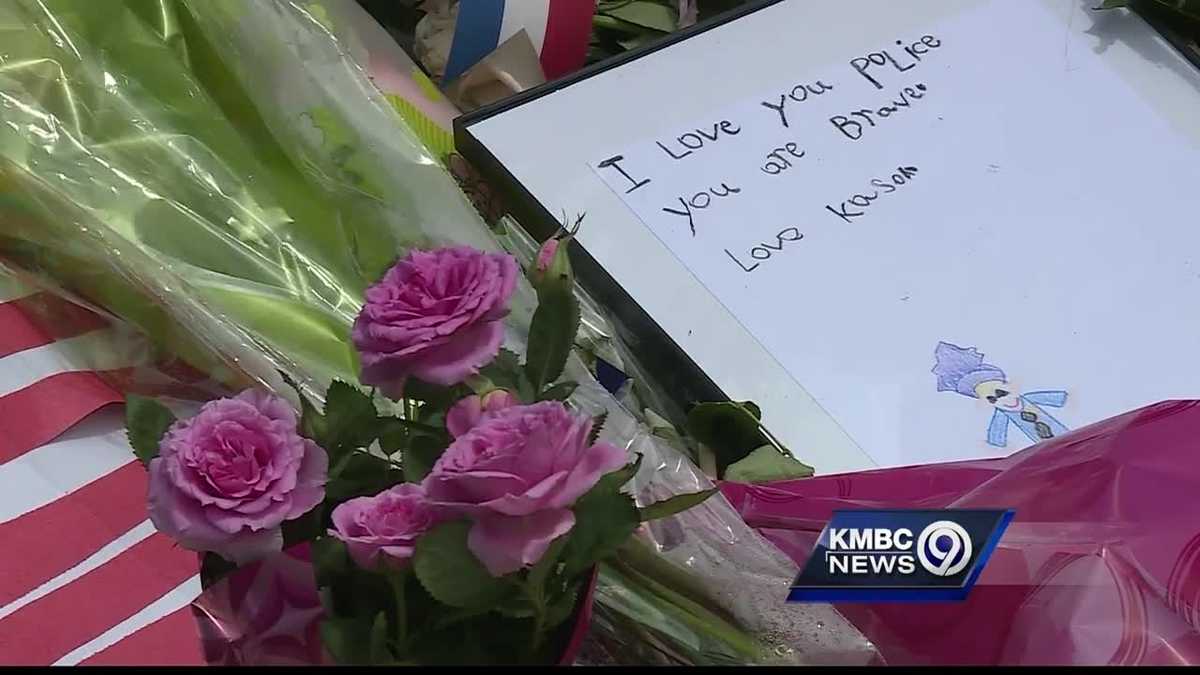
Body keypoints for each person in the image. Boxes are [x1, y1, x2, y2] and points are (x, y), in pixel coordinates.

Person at [932, 341, 1069, 448]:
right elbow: (996, 439)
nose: (1002, 400)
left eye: (1001, 393)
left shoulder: (1034, 398)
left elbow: (1062, 399)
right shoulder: (1000, 417)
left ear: (1007, 385)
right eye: (992, 399)